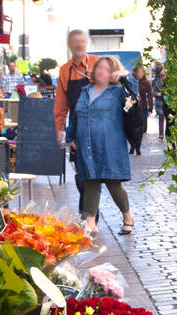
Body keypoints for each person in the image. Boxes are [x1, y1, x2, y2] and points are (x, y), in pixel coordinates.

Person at [66, 56, 134, 237]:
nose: (101, 71)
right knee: (90, 181)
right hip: (86, 145)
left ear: (113, 72)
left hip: (110, 145)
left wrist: (125, 77)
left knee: (113, 183)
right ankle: (90, 223)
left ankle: (127, 217)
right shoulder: (85, 90)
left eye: (106, 69)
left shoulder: (118, 92)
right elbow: (75, 115)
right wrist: (70, 136)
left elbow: (135, 97)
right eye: (99, 68)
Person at [55, 29, 96, 207]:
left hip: (97, 123)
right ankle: (87, 211)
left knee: (94, 172)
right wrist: (59, 129)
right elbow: (61, 103)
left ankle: (88, 214)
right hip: (76, 124)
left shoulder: (98, 63)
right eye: (75, 41)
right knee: (80, 172)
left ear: (86, 43)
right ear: (69, 45)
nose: (79, 44)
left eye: (82, 41)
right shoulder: (64, 71)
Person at [127, 62, 153, 155]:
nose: (141, 74)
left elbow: (150, 95)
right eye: (140, 72)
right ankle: (132, 145)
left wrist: (151, 108)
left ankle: (137, 146)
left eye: (142, 72)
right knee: (131, 128)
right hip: (132, 108)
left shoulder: (146, 83)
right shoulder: (130, 81)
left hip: (143, 107)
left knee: (140, 129)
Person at [151, 61, 167, 138]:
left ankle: (167, 132)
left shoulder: (168, 83)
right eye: (162, 75)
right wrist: (161, 95)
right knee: (161, 118)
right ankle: (161, 133)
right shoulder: (156, 82)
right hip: (160, 102)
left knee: (167, 118)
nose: (164, 77)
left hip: (166, 102)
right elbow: (154, 93)